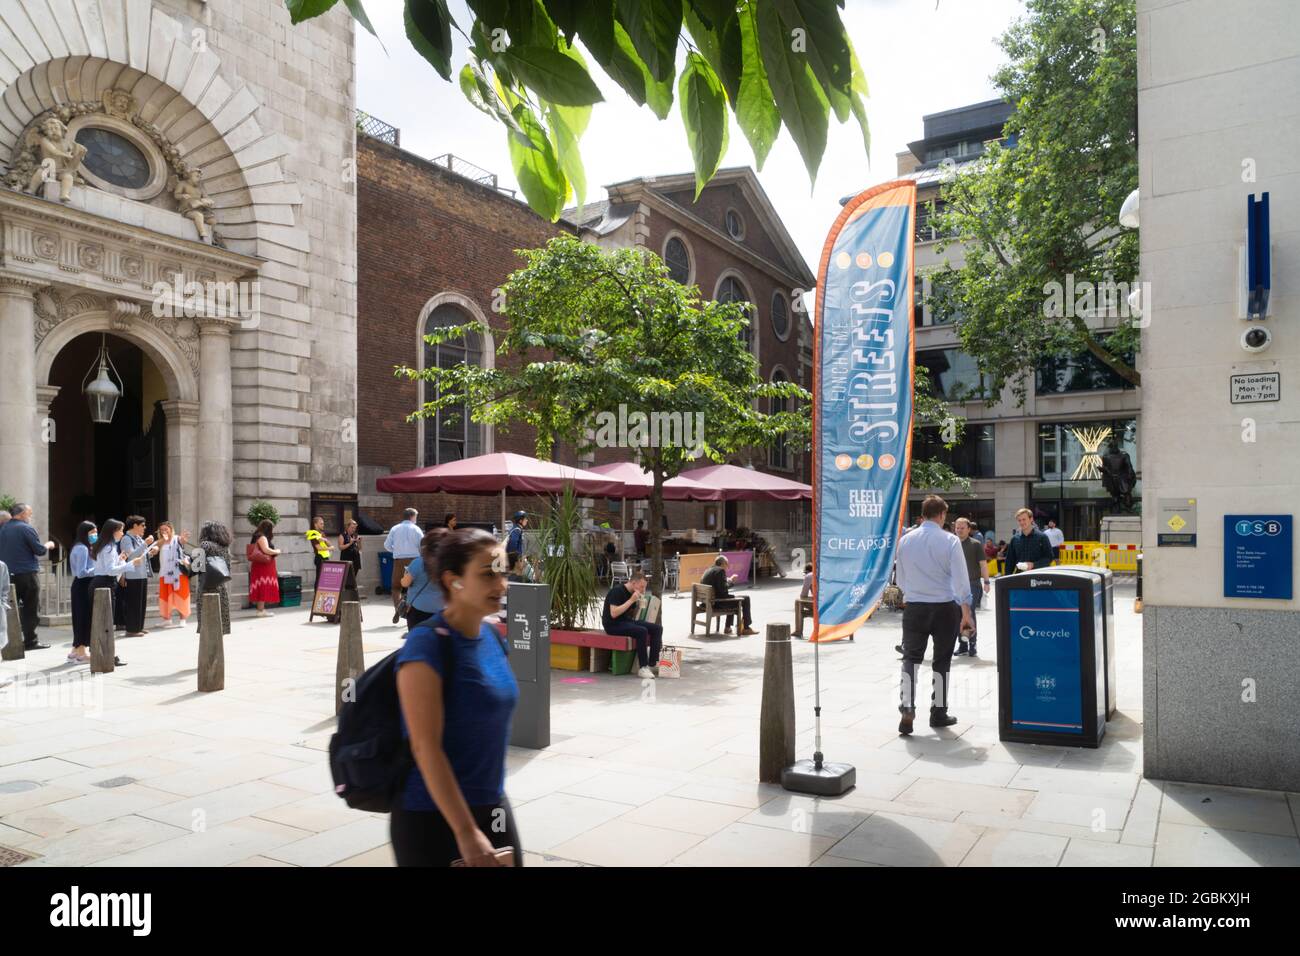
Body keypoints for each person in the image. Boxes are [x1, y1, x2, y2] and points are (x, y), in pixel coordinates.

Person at [393, 528, 521, 867]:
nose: (501, 585)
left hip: (492, 805)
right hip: (433, 817)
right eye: (487, 574)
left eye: (503, 571)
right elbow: (425, 747)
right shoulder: (427, 645)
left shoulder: (492, 636)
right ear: (453, 581)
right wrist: (465, 831)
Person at [893, 495, 974, 735]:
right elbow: (961, 579)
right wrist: (966, 612)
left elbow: (902, 579)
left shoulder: (905, 541)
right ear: (941, 515)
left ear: (923, 515)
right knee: (941, 662)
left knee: (910, 659)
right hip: (944, 608)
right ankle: (938, 713)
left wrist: (911, 596)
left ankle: (907, 705)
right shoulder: (949, 540)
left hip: (915, 607)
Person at [89, 519, 148, 666]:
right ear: (113, 531)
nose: (122, 533)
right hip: (104, 583)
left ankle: (103, 652)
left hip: (102, 582)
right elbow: (110, 570)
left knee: (102, 621)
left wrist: (122, 561)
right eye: (120, 530)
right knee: (106, 621)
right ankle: (107, 654)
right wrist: (130, 564)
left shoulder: (106, 546)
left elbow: (111, 567)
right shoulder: (108, 547)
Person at [0, 504, 57, 649]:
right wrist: (48, 545)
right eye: (30, 514)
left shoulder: (3, 528)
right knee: (30, 608)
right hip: (26, 573)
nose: (30, 517)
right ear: (23, 513)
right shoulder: (26, 528)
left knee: (9, 607)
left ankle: (9, 641)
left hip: (7, 574)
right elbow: (39, 550)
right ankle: (30, 640)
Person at [602, 569, 663, 679]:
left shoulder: (633, 594)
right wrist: (631, 600)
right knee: (641, 631)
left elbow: (631, 616)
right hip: (612, 624)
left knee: (657, 628)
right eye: (642, 587)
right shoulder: (617, 591)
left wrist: (638, 605)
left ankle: (653, 663)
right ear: (634, 583)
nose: (643, 590)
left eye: (644, 587)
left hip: (625, 621)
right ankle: (643, 667)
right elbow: (614, 613)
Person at [953, 518, 990, 658]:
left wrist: (987, 582)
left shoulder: (975, 544)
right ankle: (962, 645)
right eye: (957, 528)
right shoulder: (952, 544)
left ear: (969, 529)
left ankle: (972, 645)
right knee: (958, 614)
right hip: (955, 586)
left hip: (972, 584)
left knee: (969, 612)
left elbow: (983, 564)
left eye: (962, 528)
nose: (959, 530)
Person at [400, 529, 446, 630]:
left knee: (417, 640)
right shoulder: (448, 564)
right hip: (442, 610)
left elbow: (405, 583)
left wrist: (405, 575)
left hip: (419, 609)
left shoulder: (418, 563)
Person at [701, 554, 756, 636]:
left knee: (732, 598)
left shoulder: (709, 570)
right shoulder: (720, 571)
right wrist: (731, 581)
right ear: (723, 563)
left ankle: (728, 627)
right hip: (716, 603)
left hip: (707, 601)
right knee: (745, 599)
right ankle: (746, 628)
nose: (728, 566)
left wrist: (727, 580)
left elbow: (719, 585)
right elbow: (723, 590)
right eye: (727, 564)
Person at [119, 516, 156, 637]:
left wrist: (150, 553)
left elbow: (142, 556)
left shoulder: (138, 538)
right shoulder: (126, 539)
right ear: (135, 525)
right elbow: (131, 556)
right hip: (132, 575)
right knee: (133, 603)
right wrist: (146, 543)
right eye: (142, 525)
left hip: (141, 574)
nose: (144, 528)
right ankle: (131, 629)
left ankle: (139, 626)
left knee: (141, 602)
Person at [385, 508, 423, 625]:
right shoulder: (417, 529)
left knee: (396, 587)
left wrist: (396, 550)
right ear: (412, 517)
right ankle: (411, 611)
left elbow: (387, 545)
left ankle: (398, 608)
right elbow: (422, 545)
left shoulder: (395, 528)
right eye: (416, 516)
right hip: (414, 560)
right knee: (415, 586)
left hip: (399, 560)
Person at [195, 521, 233, 636]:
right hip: (221, 589)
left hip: (206, 588)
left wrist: (186, 561)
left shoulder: (205, 545)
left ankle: (209, 653)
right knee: (219, 625)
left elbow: (196, 567)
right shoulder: (225, 548)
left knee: (207, 626)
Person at [67, 521, 97, 661]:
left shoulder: (83, 547)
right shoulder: (82, 548)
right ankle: (81, 652)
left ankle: (75, 649)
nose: (95, 535)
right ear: (85, 533)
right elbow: (81, 572)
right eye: (92, 533)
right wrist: (98, 569)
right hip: (82, 585)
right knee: (83, 618)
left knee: (81, 616)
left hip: (82, 585)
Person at [156, 522, 192, 628]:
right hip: (164, 573)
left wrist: (184, 540)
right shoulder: (160, 542)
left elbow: (182, 541)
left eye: (166, 529)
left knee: (181, 595)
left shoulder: (177, 539)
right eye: (161, 530)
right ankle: (167, 619)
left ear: (171, 530)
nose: (164, 532)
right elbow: (155, 549)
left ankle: (183, 619)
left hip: (178, 573)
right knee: (165, 597)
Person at [1003, 508, 1055, 573]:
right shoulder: (1015, 539)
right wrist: (1007, 579)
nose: (1021, 522)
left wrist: (1033, 565)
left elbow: (1049, 558)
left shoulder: (1042, 537)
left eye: (1024, 519)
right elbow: (1010, 561)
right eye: (1019, 520)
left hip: (1038, 577)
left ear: (1031, 519)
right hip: (1020, 577)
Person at [248, 519, 281, 616]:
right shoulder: (262, 537)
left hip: (259, 564)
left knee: (260, 585)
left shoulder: (256, 535)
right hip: (264, 565)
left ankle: (260, 610)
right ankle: (261, 610)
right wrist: (277, 551)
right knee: (263, 586)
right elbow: (266, 550)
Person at [305, 515, 333, 596]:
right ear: (315, 524)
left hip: (326, 557)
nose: (323, 525)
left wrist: (326, 541)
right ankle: (317, 597)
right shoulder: (313, 534)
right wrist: (330, 548)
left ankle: (324, 596)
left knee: (325, 578)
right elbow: (318, 548)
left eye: (323, 523)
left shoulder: (322, 533)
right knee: (319, 578)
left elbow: (329, 544)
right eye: (321, 523)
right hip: (319, 558)